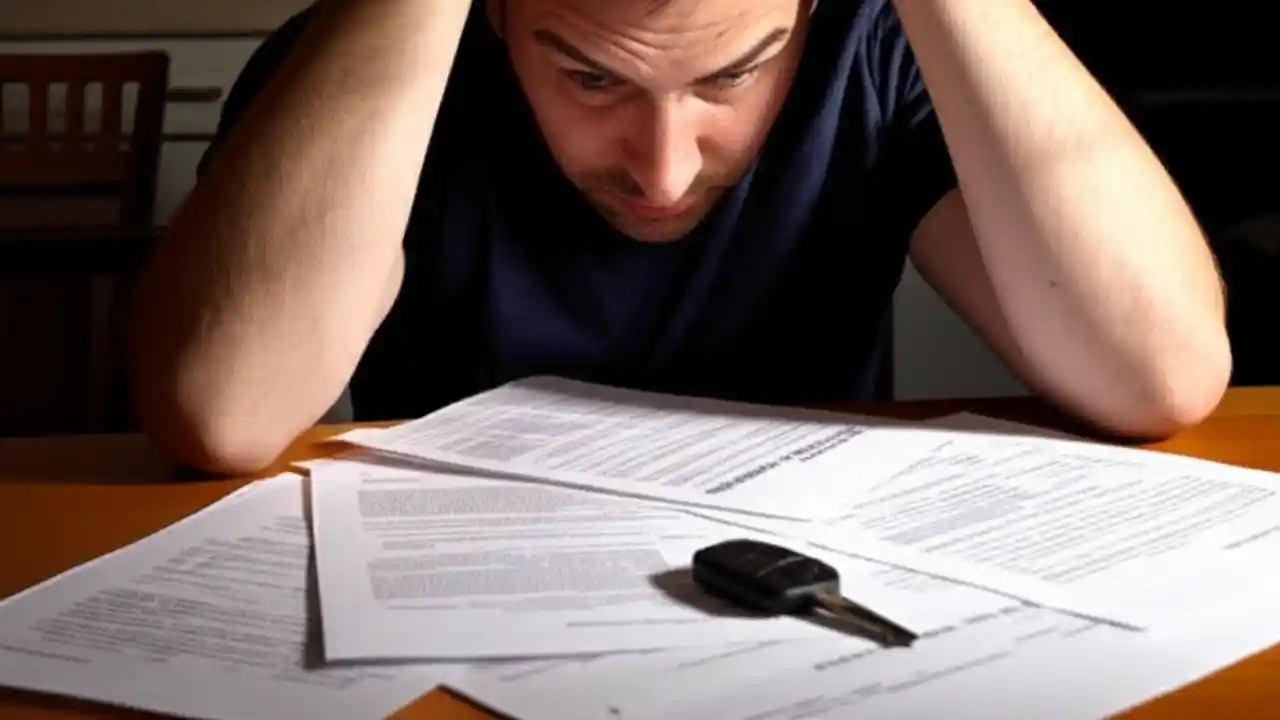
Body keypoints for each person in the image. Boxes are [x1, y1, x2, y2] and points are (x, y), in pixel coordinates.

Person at [127, 0, 1231, 474]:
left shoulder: (871, 55)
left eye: (732, 75)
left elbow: (1155, 375)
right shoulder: (363, 69)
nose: (661, 167)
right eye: (589, 75)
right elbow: (222, 411)